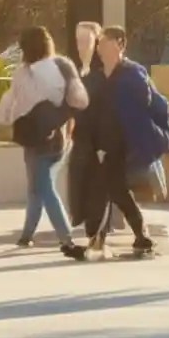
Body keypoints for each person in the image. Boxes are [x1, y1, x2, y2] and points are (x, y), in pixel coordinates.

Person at [0, 26, 89, 261]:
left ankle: (67, 240)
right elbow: (80, 100)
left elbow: (10, 105)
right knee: (37, 186)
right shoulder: (62, 65)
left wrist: (0, 117)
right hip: (59, 136)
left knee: (43, 188)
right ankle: (26, 235)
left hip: (33, 138)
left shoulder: (22, 73)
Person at [81, 26, 166, 255]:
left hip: (123, 141)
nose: (100, 48)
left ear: (119, 44)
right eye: (99, 44)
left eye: (105, 43)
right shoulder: (97, 75)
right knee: (110, 188)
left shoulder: (132, 72)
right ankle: (133, 234)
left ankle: (112, 235)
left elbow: (144, 100)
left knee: (111, 187)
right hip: (100, 142)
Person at [67, 21, 104, 229]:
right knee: (78, 181)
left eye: (85, 40)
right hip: (80, 138)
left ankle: (95, 228)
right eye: (77, 41)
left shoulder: (100, 73)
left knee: (95, 187)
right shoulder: (79, 71)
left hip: (97, 140)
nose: (80, 46)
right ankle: (82, 220)